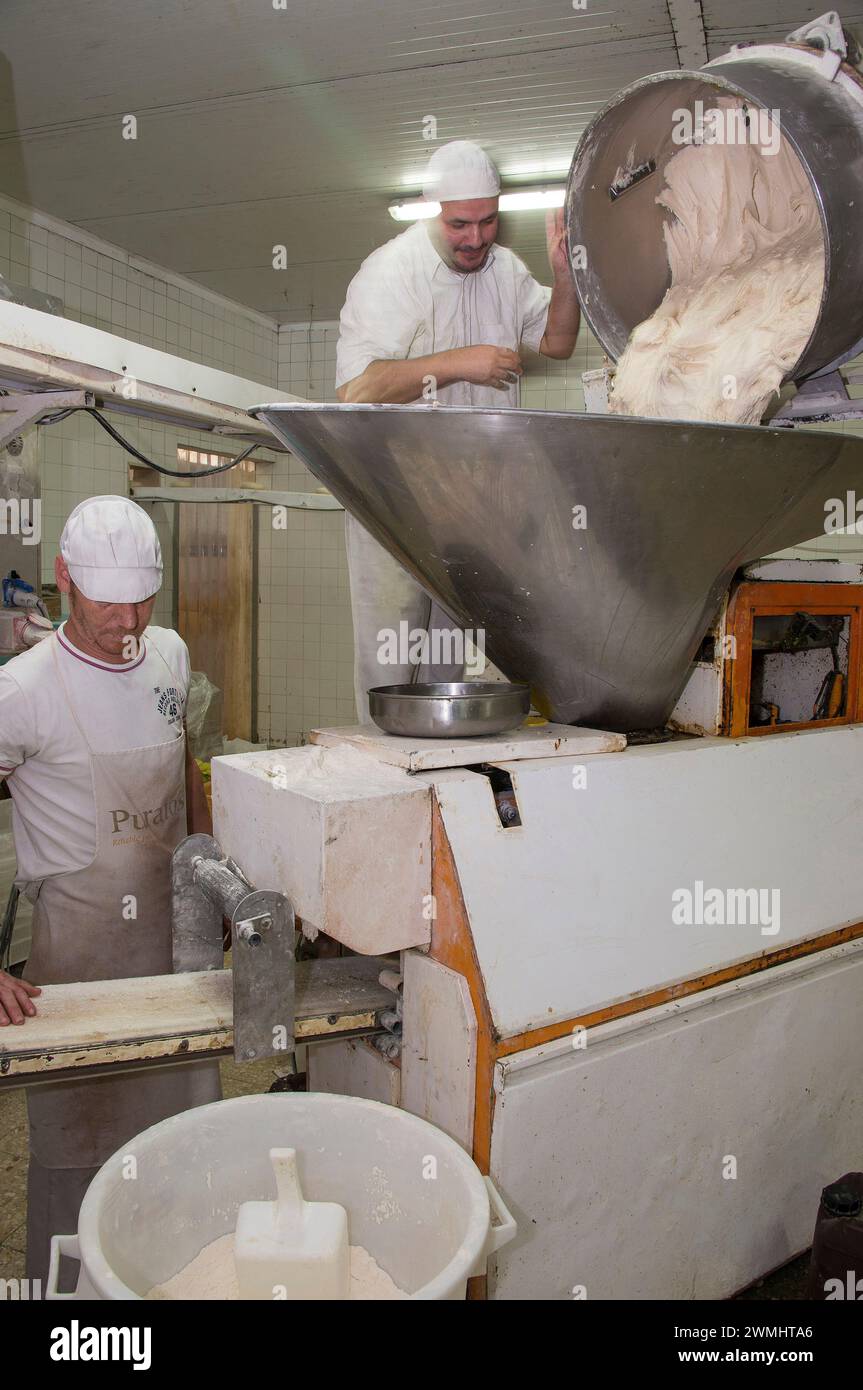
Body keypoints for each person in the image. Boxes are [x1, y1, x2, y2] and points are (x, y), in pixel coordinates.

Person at [0, 495, 221, 1287]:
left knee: (183, 1143)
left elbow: (187, 762)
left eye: (142, 598)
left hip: (174, 952)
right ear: (63, 580)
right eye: (105, 600)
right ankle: (74, 1317)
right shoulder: (22, 690)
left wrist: (215, 871)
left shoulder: (169, 652)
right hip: (78, 965)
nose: (126, 618)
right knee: (80, 1159)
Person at [336, 140, 580, 719]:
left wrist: (567, 278)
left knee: (448, 659)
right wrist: (460, 363)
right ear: (432, 212)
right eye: (459, 224)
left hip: (468, 504)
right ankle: (381, 779)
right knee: (390, 661)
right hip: (393, 499)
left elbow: (558, 342)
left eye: (488, 220)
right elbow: (356, 392)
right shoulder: (390, 272)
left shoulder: (506, 270)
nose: (476, 238)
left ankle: (439, 779)